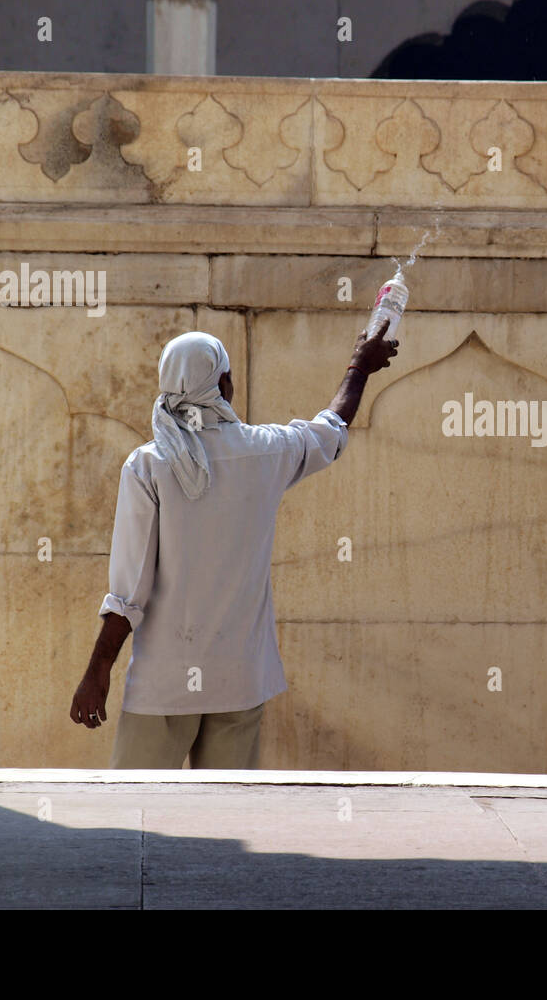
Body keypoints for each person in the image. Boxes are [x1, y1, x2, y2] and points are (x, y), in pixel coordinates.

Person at [69, 322, 397, 768]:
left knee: (137, 815)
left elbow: (129, 591)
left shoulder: (149, 464)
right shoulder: (266, 452)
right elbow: (332, 428)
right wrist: (359, 366)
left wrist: (97, 670)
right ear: (224, 383)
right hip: (239, 679)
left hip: (163, 685)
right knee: (225, 821)